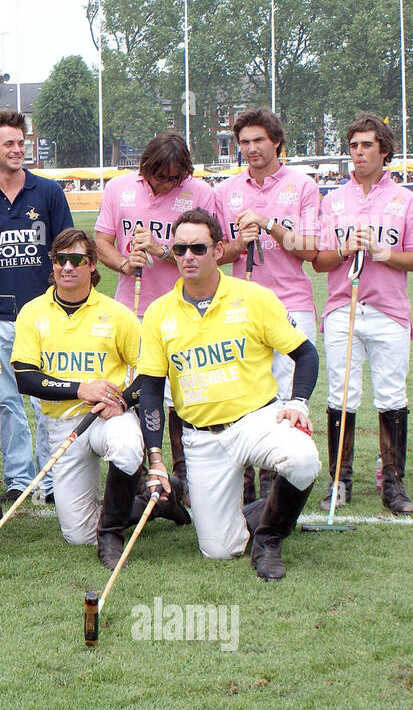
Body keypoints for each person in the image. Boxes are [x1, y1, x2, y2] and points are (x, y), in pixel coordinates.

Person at [136, 208, 320, 580]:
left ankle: (269, 538)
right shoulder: (158, 312)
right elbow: (152, 389)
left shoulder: (254, 297)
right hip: (202, 438)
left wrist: (298, 402)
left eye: (198, 248)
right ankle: (263, 511)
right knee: (220, 550)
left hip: (257, 420)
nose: (188, 257)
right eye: (180, 248)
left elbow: (306, 353)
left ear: (219, 250)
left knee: (303, 459)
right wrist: (155, 455)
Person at [13, 228, 166, 569]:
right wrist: (79, 389)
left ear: (92, 264)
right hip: (62, 423)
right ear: (52, 264)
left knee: (127, 445)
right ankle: (150, 504)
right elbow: (25, 378)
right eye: (60, 260)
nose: (67, 267)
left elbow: (151, 375)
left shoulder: (117, 314)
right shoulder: (32, 312)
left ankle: (112, 535)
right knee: (79, 535)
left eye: (77, 260)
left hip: (107, 417)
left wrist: (124, 401)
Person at [0, 109, 73, 504]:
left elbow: (67, 247)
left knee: (48, 401)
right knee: (7, 403)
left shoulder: (48, 193)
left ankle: (54, 478)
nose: (18, 149)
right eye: (9, 143)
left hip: (44, 317)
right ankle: (20, 480)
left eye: (22, 143)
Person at [312, 114, 413, 514]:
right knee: (341, 395)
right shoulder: (334, 200)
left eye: (366, 146)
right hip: (344, 308)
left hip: (388, 310)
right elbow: (319, 261)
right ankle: (339, 480)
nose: (358, 153)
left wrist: (382, 252)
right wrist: (345, 249)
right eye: (354, 146)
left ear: (385, 150)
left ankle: (393, 482)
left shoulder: (406, 200)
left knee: (392, 396)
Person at [93, 132, 216, 504]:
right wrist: (124, 262)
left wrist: (165, 252)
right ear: (144, 168)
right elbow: (101, 242)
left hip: (185, 309)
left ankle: (183, 475)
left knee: (184, 393)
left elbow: (213, 251)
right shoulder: (119, 189)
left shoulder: (201, 192)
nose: (165, 184)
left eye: (174, 178)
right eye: (158, 176)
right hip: (132, 308)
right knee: (134, 389)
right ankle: (138, 471)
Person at [214, 108, 320, 501]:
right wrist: (239, 243)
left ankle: (279, 487)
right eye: (244, 142)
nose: (251, 148)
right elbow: (216, 255)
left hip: (291, 301)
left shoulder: (303, 186)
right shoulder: (225, 191)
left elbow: (311, 249)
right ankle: (242, 488)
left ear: (276, 142)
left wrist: (270, 222)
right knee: (243, 393)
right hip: (239, 304)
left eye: (259, 140)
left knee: (289, 396)